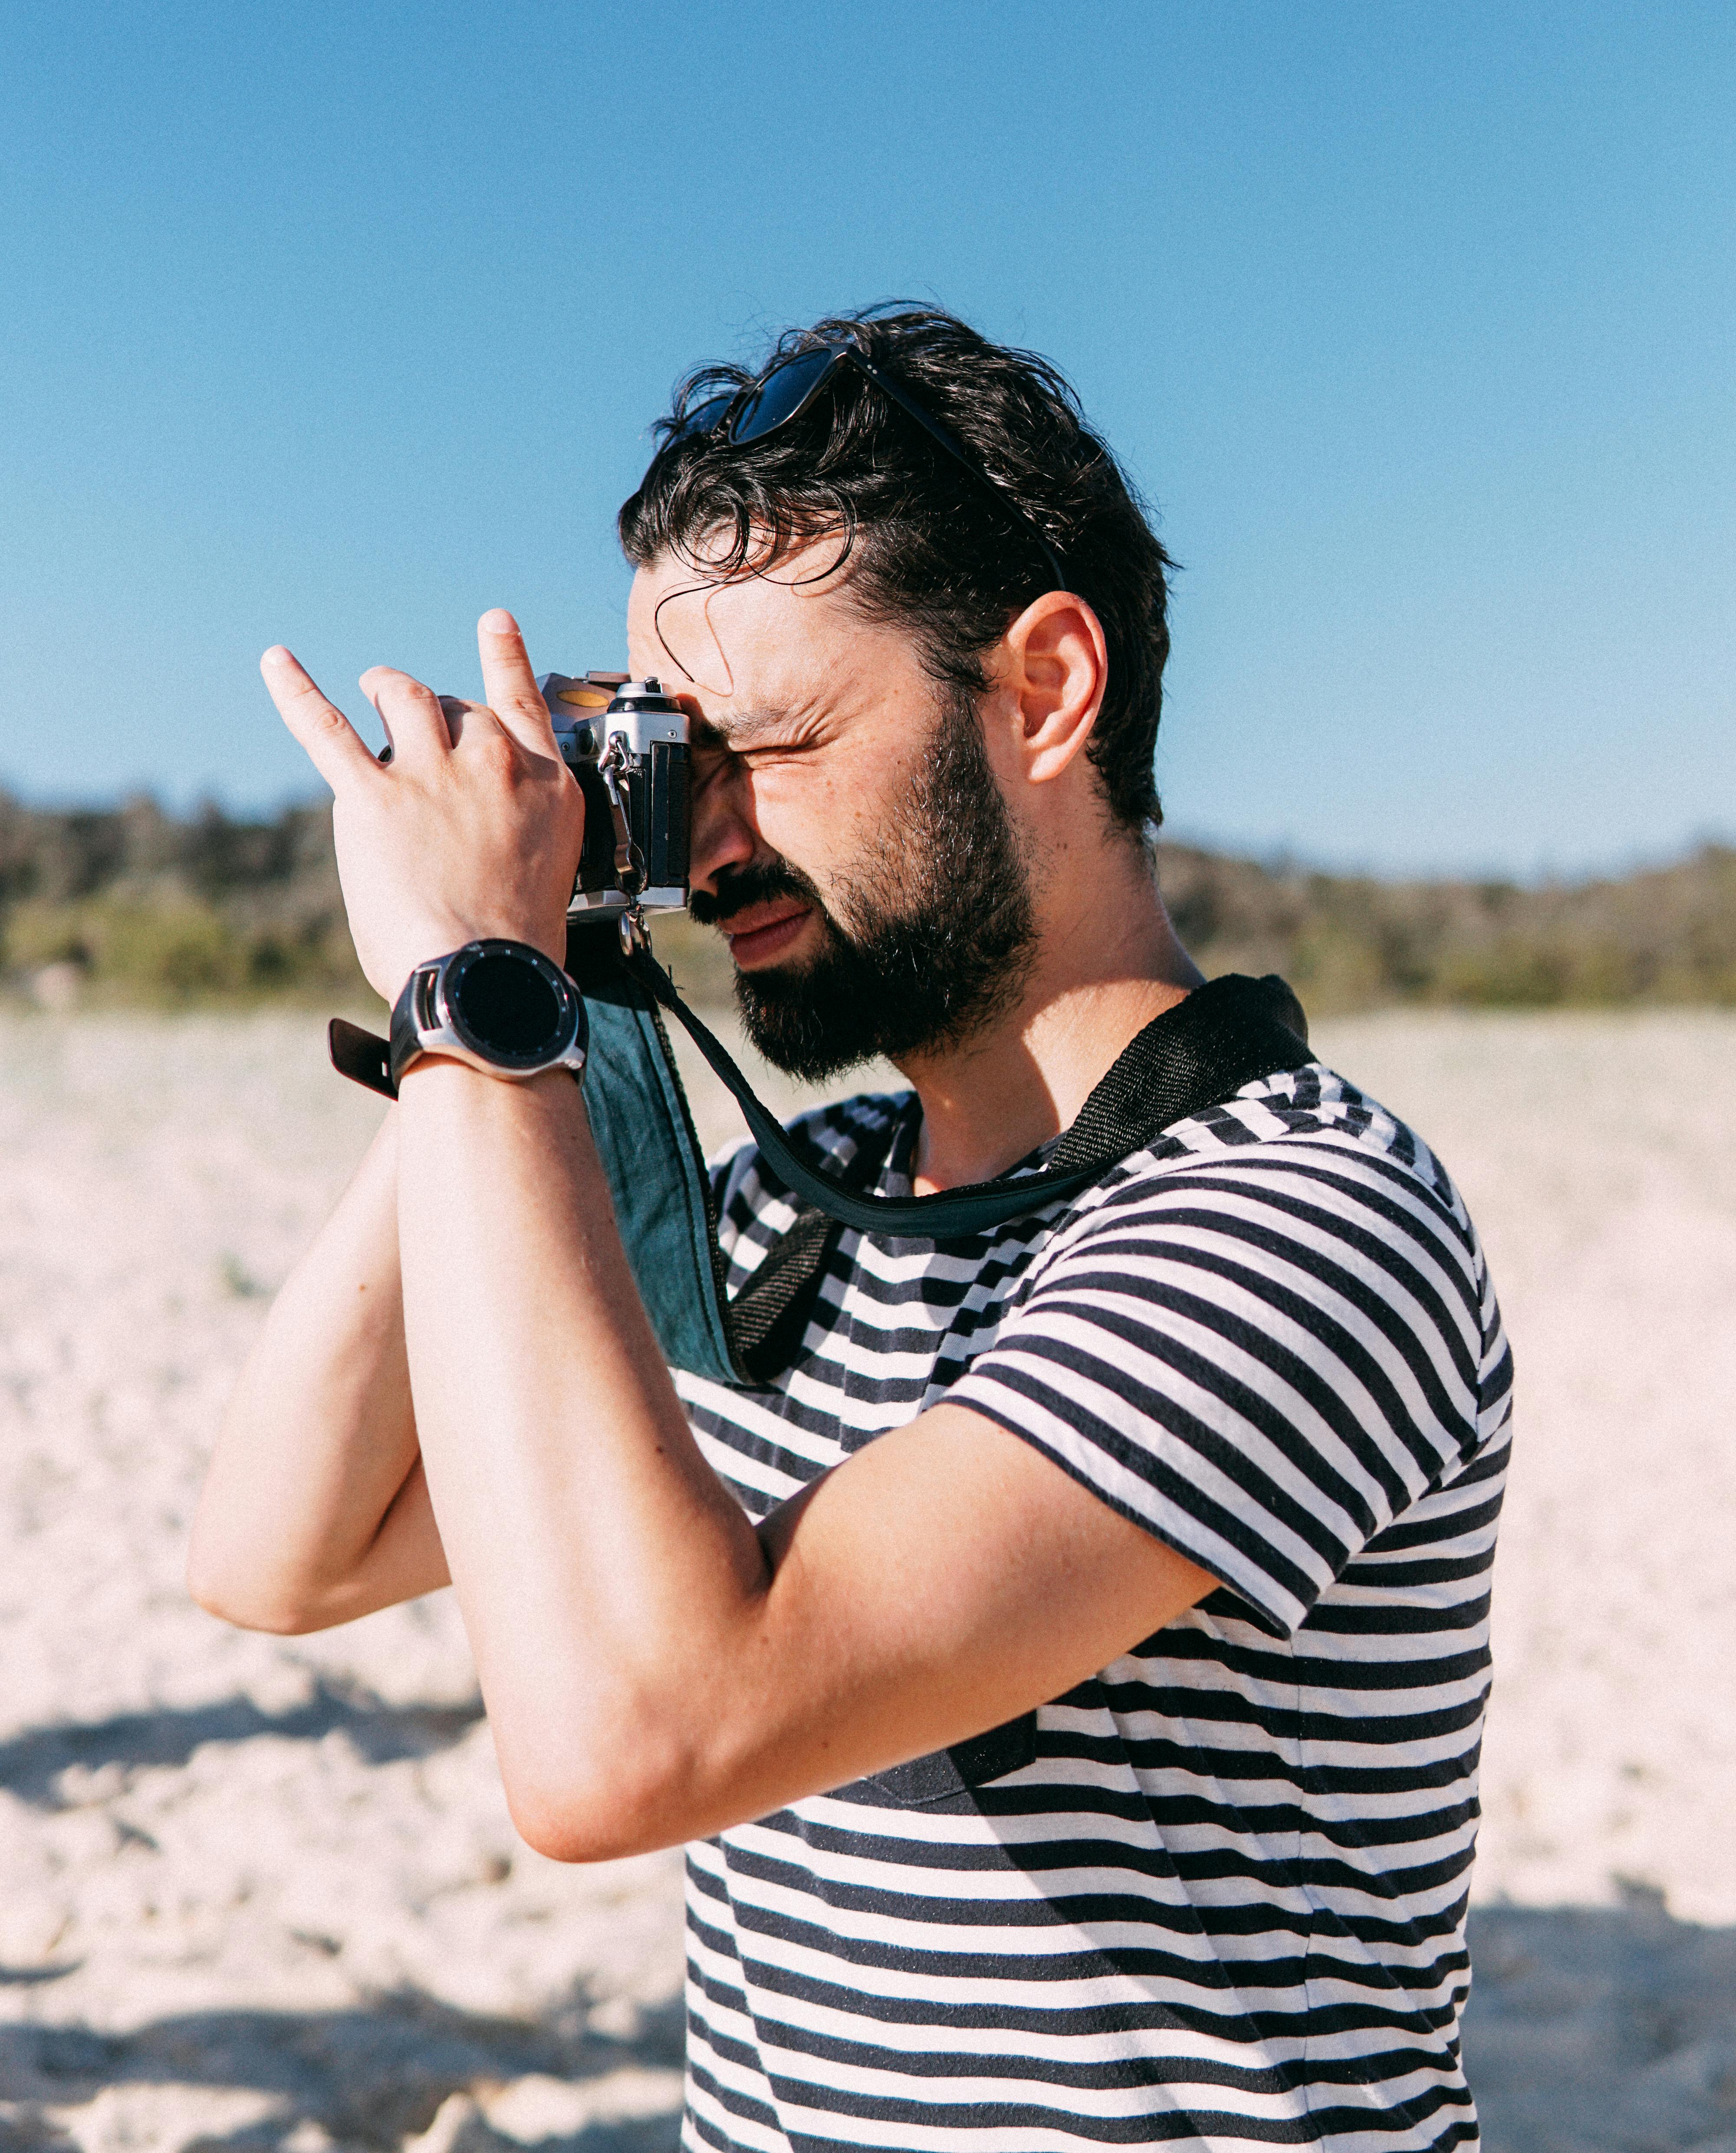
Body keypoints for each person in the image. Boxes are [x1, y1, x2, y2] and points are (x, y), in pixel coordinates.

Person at [190, 306, 1510, 2152]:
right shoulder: (805, 1212)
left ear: (1045, 689)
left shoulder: (1297, 1219)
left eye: (769, 742)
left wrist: (475, 997)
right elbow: (285, 1553)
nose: (707, 841)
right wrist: (510, 970)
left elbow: (628, 1741)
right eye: (672, 764)